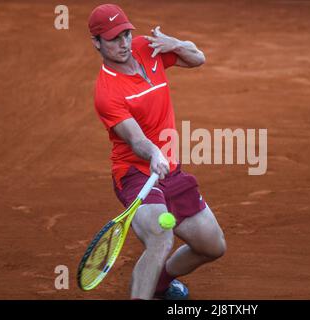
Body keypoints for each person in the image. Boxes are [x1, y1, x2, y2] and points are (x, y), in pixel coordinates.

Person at [88, 4, 226, 300]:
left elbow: (198, 58)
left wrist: (173, 43)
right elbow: (136, 140)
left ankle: (162, 282)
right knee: (161, 239)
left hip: (170, 170)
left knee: (212, 246)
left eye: (125, 34)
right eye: (113, 38)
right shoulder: (106, 92)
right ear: (96, 43)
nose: (123, 43)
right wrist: (153, 154)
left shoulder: (144, 48)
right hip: (137, 175)